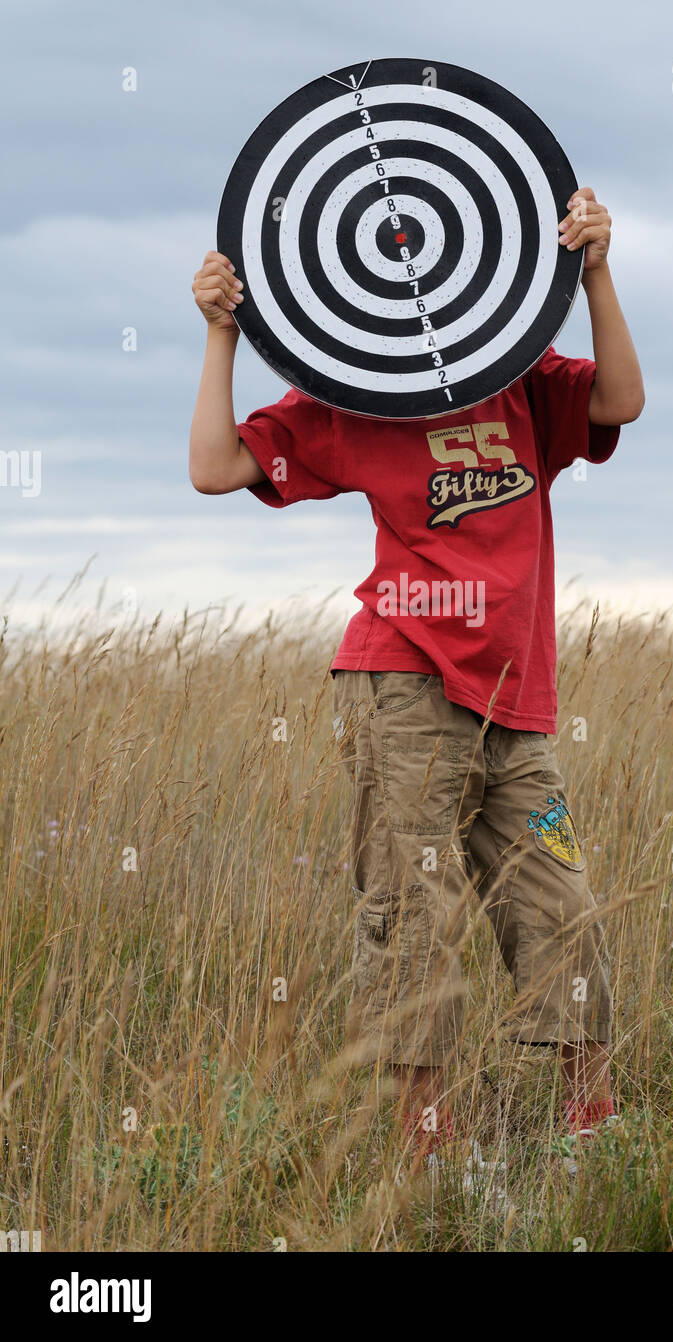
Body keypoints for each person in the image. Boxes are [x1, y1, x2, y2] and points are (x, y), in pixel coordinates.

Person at [189, 187, 644, 1176]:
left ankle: (590, 1143)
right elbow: (215, 466)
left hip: (515, 708)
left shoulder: (525, 384)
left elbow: (618, 401)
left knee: (561, 907)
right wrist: (222, 331)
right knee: (412, 916)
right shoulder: (358, 403)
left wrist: (596, 269)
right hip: (403, 684)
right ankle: (429, 1167)